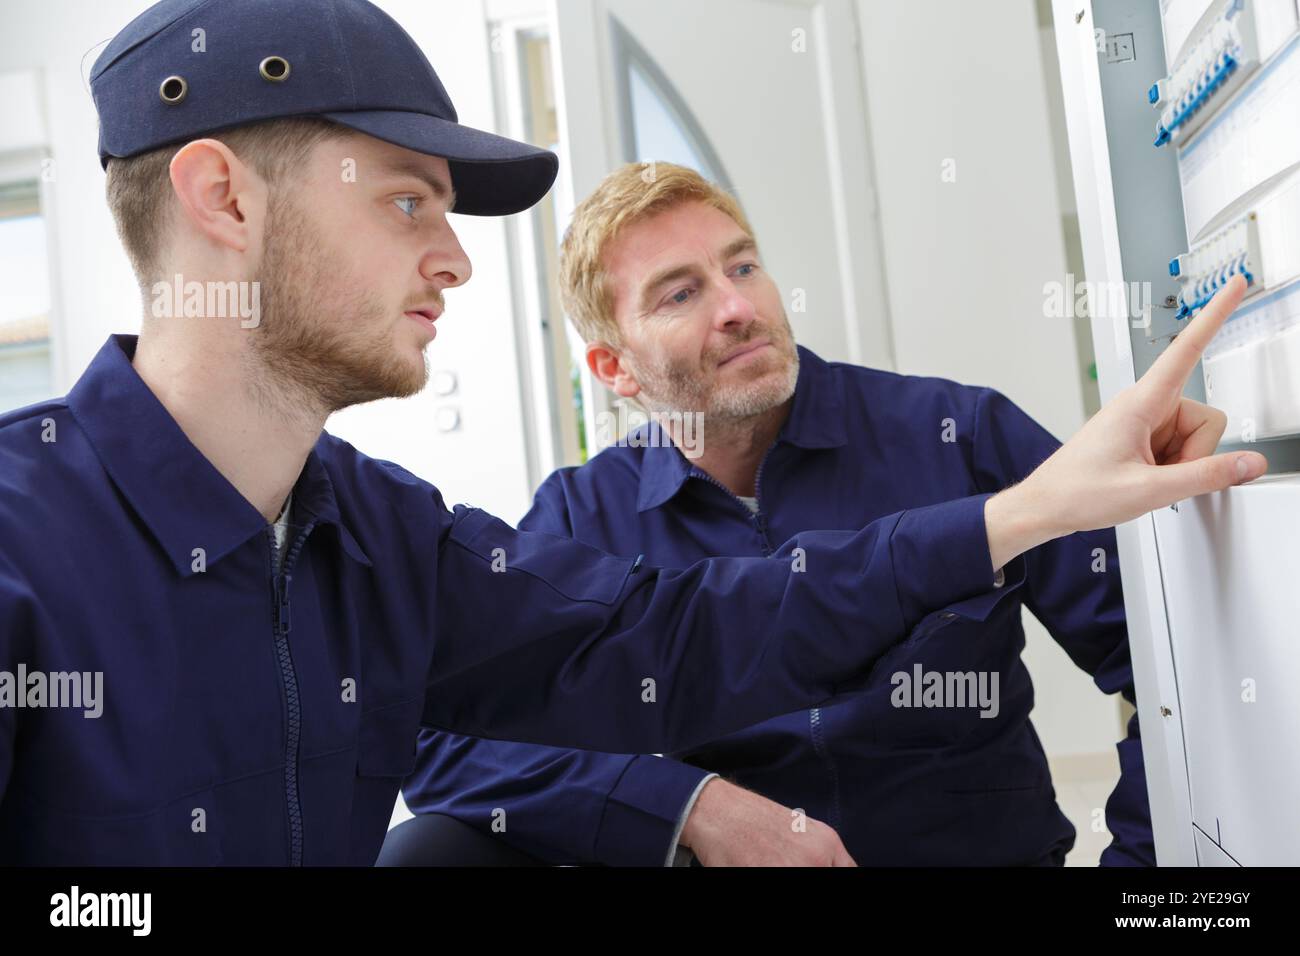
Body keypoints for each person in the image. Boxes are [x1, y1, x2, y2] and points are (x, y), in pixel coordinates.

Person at [0, 0, 1262, 865]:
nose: (452, 262)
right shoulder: (24, 544)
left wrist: (1028, 506)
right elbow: (464, 761)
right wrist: (684, 806)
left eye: (741, 268)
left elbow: (692, 630)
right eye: (405, 202)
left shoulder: (376, 538)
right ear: (222, 196)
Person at [400, 164, 1182, 867]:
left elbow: (1166, 665)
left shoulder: (961, 435)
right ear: (615, 367)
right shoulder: (579, 515)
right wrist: (687, 807)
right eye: (681, 293)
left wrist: (1140, 875)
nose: (739, 306)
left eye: (743, 266)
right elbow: (442, 745)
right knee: (428, 852)